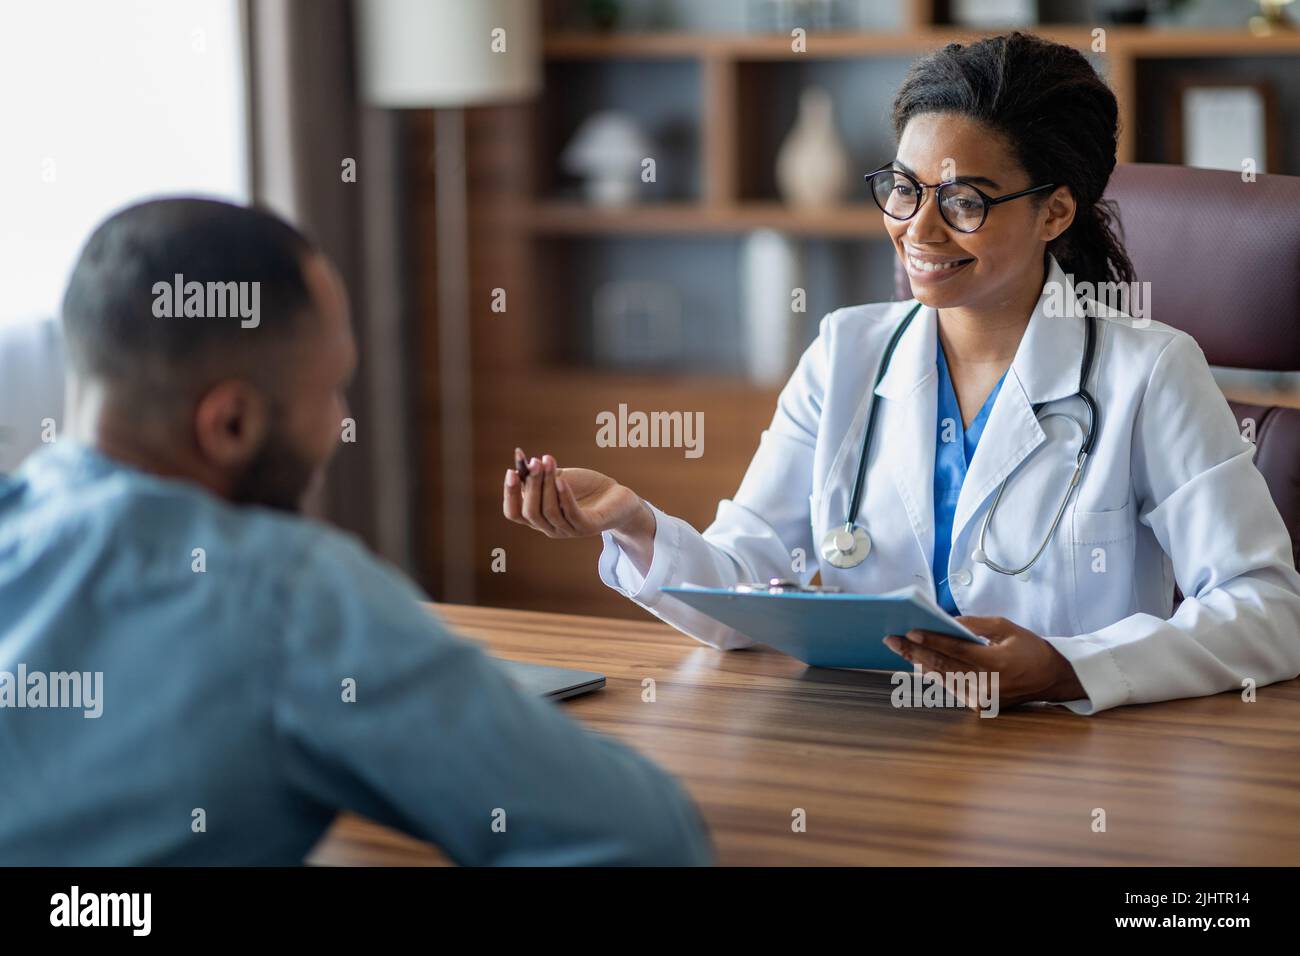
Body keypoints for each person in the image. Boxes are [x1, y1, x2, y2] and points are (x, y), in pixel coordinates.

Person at [503, 32, 1300, 715]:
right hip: (868, 745)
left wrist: (1068, 668)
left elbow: (1267, 611)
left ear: (1055, 212)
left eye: (963, 201)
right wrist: (633, 522)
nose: (917, 228)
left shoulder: (1149, 373)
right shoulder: (843, 354)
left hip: (1065, 762)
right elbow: (748, 587)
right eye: (903, 189)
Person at [0, 197, 711, 865]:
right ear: (233, 425)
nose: (340, 426)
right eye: (331, 388)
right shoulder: (288, 595)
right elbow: (652, 838)